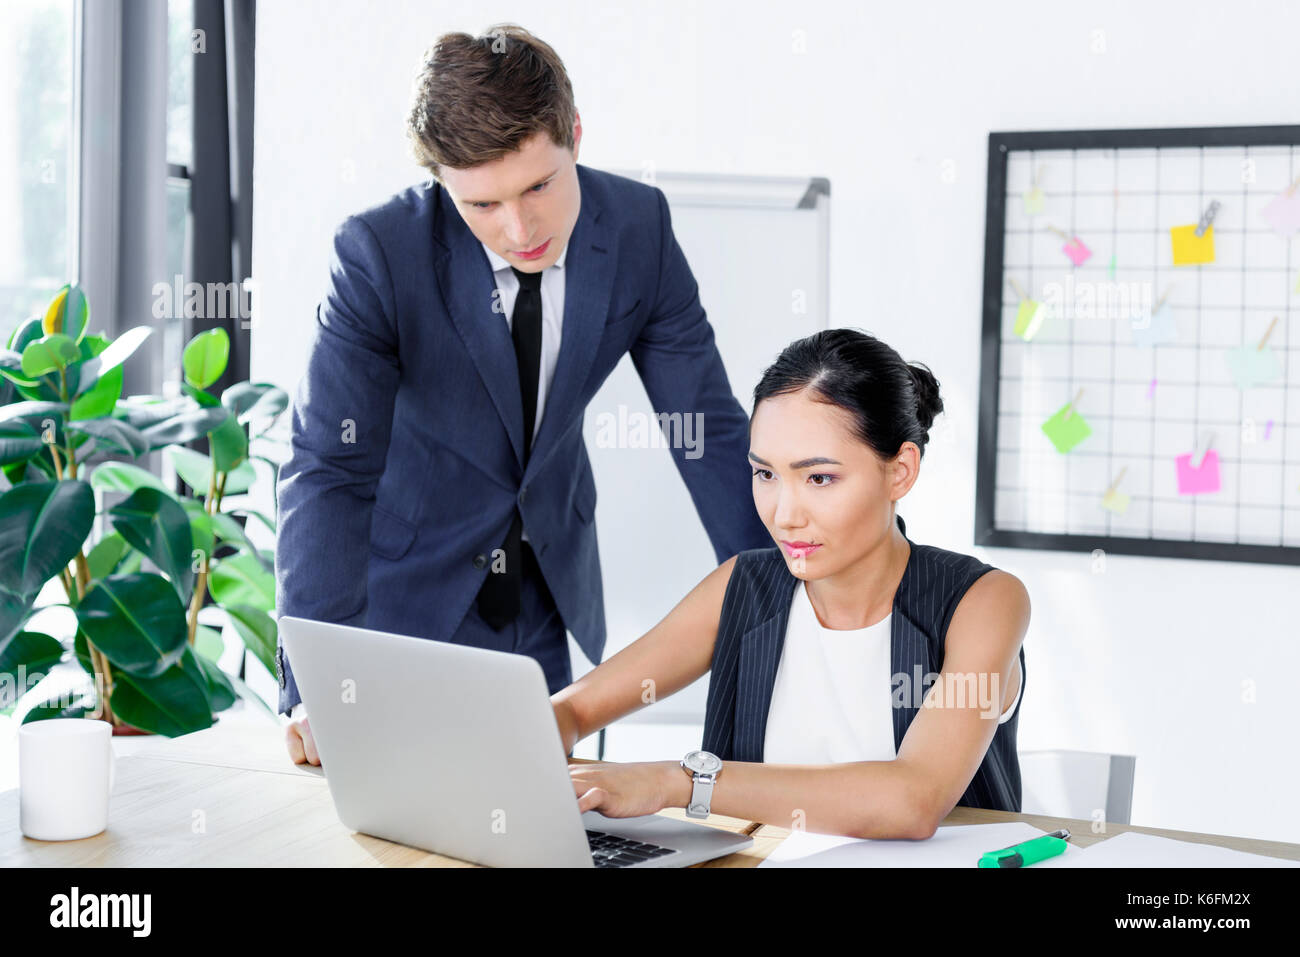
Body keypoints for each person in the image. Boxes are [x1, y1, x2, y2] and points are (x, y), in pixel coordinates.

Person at [280, 24, 771, 765]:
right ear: (443, 182)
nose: (519, 229)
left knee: (542, 819)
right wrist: (322, 681)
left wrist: (784, 604)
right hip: (401, 604)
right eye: (482, 205)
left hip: (546, 590)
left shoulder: (639, 230)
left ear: (574, 133)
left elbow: (705, 429)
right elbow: (329, 468)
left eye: (539, 185)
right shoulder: (379, 255)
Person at [550, 328, 1029, 839]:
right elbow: (575, 708)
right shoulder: (743, 586)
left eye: (818, 478)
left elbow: (912, 800)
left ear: (900, 472)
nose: (783, 515)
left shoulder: (982, 601)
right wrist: (538, 739)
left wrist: (681, 782)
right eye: (765, 474)